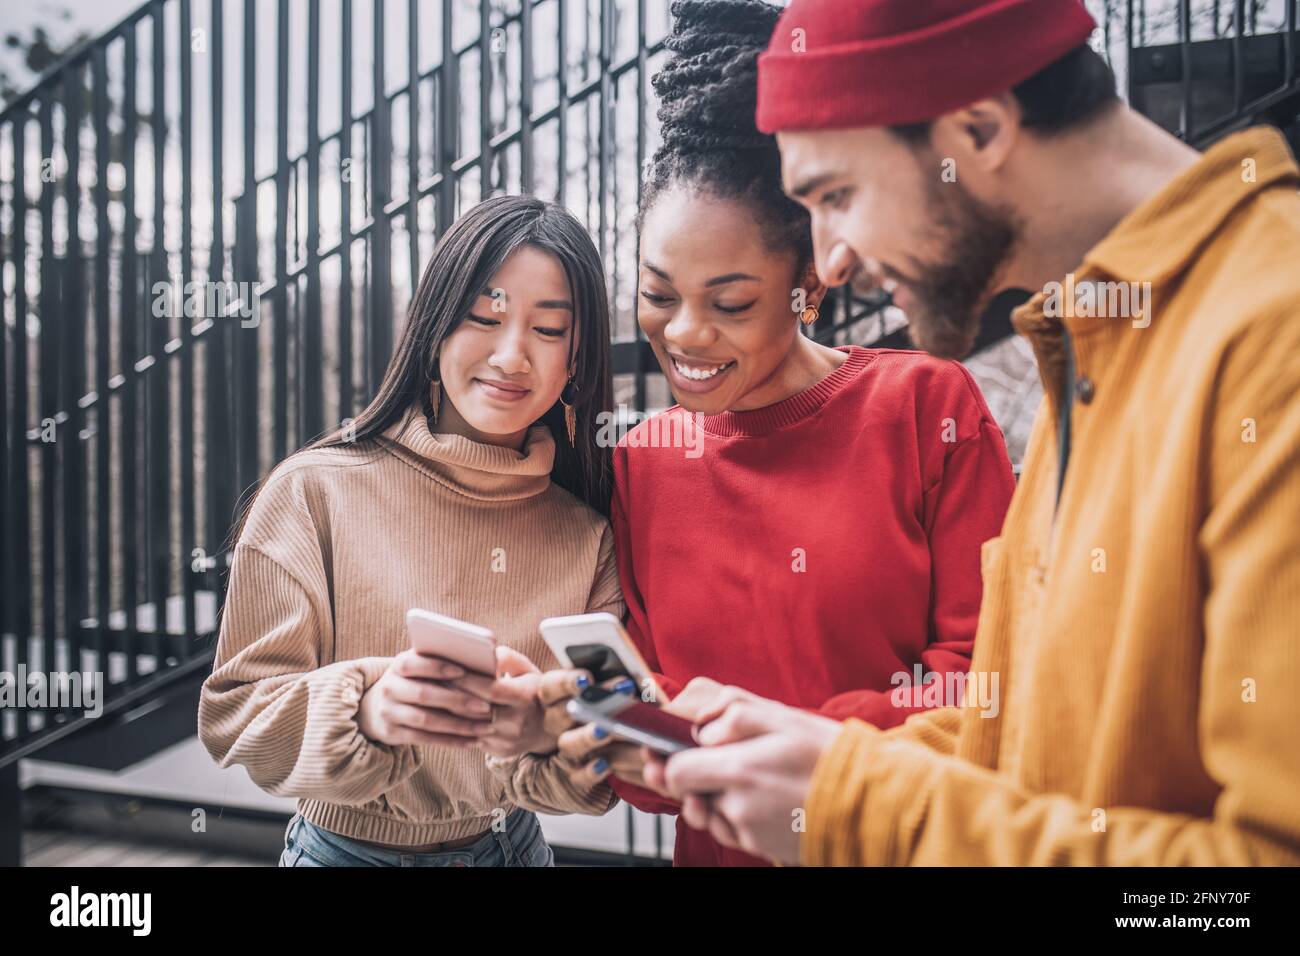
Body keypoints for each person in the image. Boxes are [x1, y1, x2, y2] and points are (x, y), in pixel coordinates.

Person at [645, 0, 1300, 866]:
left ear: (980, 127)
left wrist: (863, 808)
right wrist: (825, 761)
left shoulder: (1272, 338)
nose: (831, 264)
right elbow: (1024, 743)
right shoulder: (1102, 339)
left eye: (837, 195)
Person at [551, 0, 1015, 866]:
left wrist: (801, 750)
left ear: (811, 284)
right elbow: (645, 749)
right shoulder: (644, 462)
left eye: (730, 303)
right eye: (658, 294)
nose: (685, 334)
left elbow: (995, 676)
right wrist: (595, 730)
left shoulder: (925, 408)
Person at [198, 195, 623, 867]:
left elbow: (607, 747)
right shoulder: (314, 492)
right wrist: (367, 709)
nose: (511, 356)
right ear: (433, 330)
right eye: (486, 316)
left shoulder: (588, 532)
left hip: (514, 849)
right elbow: (238, 716)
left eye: (548, 330)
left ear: (577, 362)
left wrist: (544, 728)